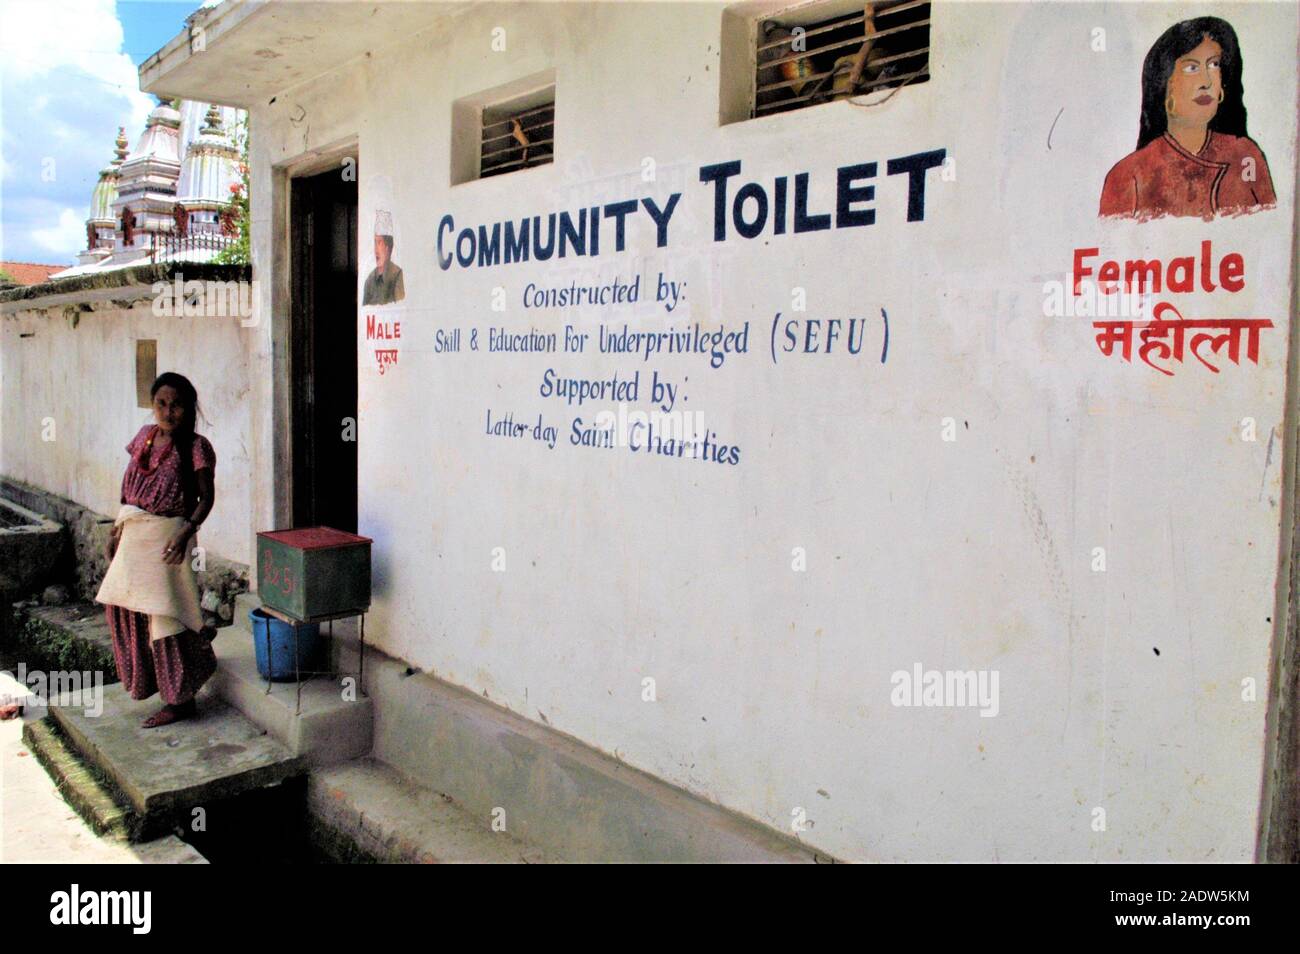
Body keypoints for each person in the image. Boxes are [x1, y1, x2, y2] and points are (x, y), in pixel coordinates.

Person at [95, 373, 218, 728]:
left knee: (167, 618)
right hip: (134, 537)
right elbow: (127, 489)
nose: (169, 411)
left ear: (188, 407)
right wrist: (117, 529)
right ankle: (153, 684)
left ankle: (181, 700)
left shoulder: (196, 447)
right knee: (127, 611)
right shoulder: (144, 438)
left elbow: (206, 498)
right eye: (162, 403)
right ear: (153, 405)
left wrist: (184, 533)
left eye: (176, 404)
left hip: (169, 538)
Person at [1099, 16, 1276, 221]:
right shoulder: (1128, 176)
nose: (1206, 82)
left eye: (1213, 65)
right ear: (1164, 85)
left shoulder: (1246, 156)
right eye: (1191, 68)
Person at [362, 209, 405, 305]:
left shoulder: (397, 275)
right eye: (375, 242)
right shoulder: (369, 280)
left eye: (379, 242)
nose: (376, 249)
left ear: (388, 247)